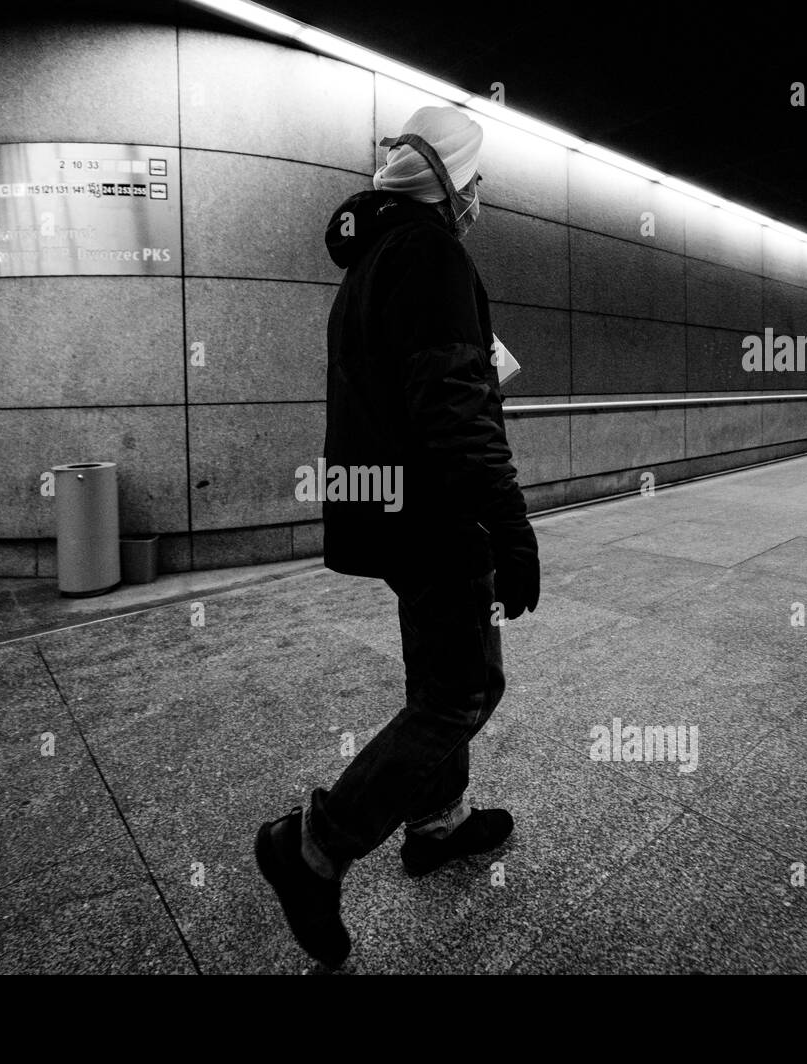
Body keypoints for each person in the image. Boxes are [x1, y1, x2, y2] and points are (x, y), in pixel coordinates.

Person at [255, 105, 539, 970]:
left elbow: (420, 384)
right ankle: (314, 847)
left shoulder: (373, 260)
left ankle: (436, 824)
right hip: (436, 514)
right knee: (462, 693)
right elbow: (453, 409)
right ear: (450, 182)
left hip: (388, 509)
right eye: (475, 178)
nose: (480, 196)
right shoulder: (432, 254)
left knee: (436, 671)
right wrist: (511, 523)